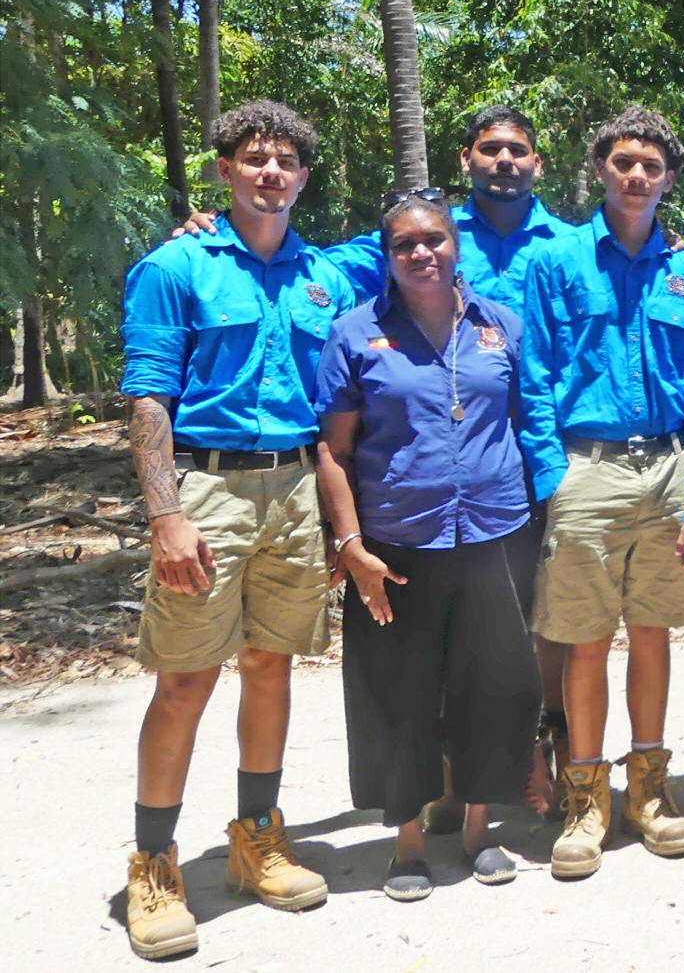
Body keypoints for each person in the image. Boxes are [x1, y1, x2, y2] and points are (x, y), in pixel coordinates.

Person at [179, 105, 579, 820]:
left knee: (513, 654)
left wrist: (663, 236)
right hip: (405, 505)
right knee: (413, 668)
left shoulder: (570, 246)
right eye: (489, 148)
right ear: (466, 160)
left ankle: (531, 772)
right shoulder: (388, 255)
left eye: (518, 149)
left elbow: (540, 388)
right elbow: (310, 264)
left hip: (505, 493)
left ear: (537, 161)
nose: (505, 161)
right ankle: (430, 812)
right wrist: (216, 227)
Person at [119, 101, 350, 959]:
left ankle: (256, 837)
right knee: (185, 679)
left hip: (295, 491)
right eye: (255, 158)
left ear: (301, 176)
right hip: (205, 492)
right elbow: (149, 397)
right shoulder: (175, 267)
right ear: (224, 169)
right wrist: (165, 514)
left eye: (286, 161)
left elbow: (425, 251)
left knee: (269, 666)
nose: (271, 172)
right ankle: (153, 860)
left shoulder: (325, 274)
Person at [517, 107, 684, 877]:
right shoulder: (558, 262)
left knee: (653, 633)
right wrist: (553, 478)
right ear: (600, 169)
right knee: (582, 638)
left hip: (668, 470)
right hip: (587, 468)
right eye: (623, 163)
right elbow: (533, 377)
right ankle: (585, 797)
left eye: (652, 166)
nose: (636, 176)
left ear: (670, 179)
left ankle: (650, 791)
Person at [314, 193, 543, 900]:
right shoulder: (355, 334)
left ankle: (477, 830)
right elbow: (332, 448)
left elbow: (527, 423)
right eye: (405, 244)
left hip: (494, 532)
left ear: (456, 245)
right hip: (395, 544)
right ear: (387, 256)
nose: (422, 253)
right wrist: (350, 545)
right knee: (397, 691)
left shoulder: (500, 326)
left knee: (492, 683)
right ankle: (408, 841)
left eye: (434, 240)